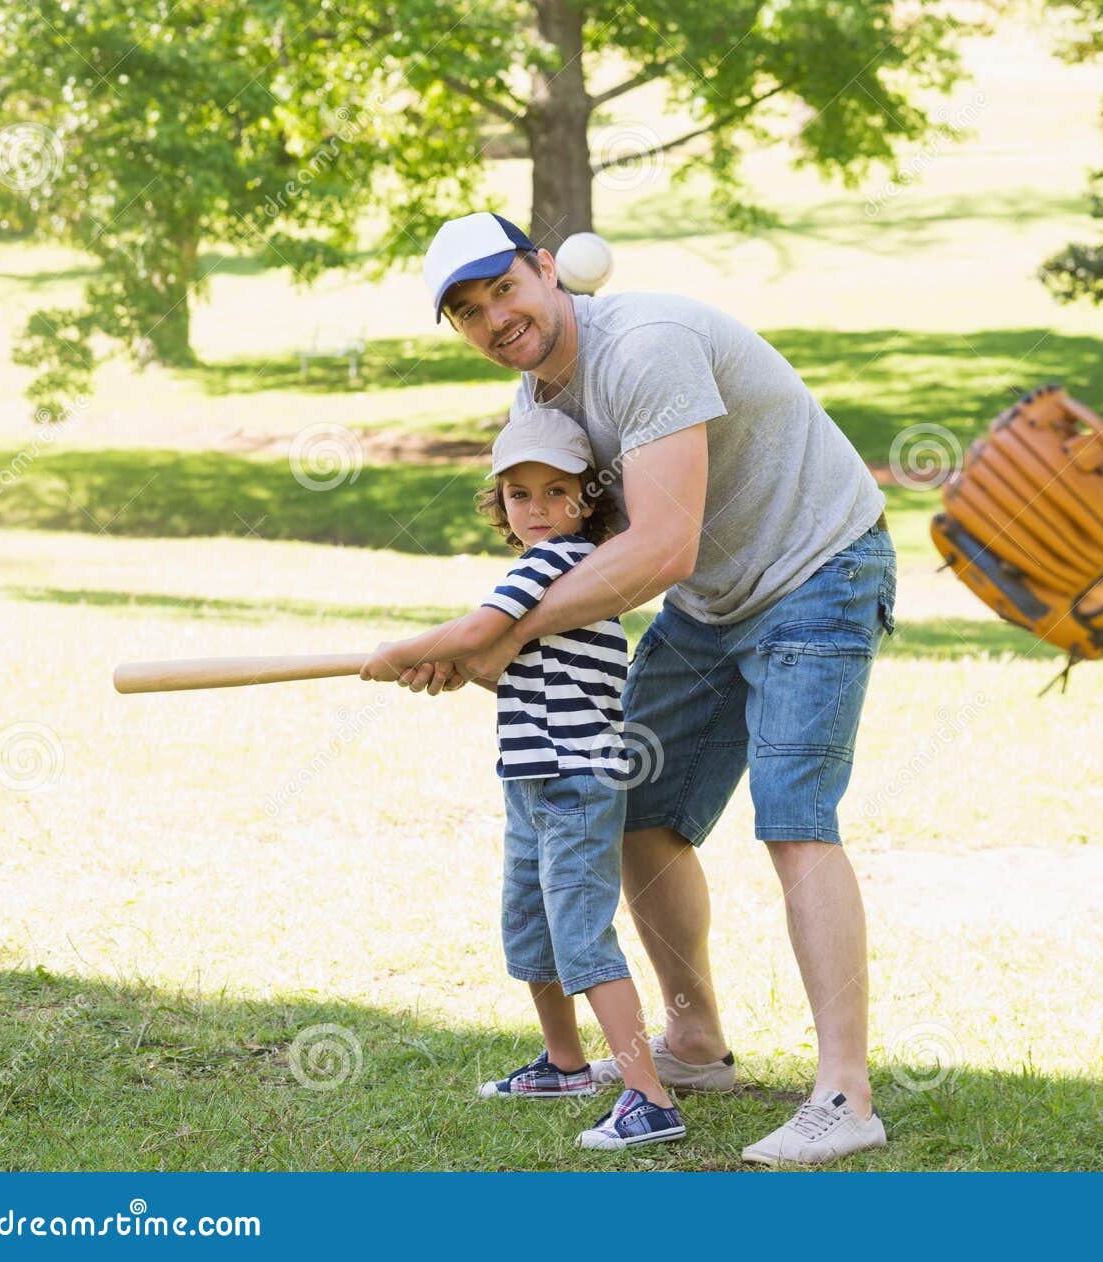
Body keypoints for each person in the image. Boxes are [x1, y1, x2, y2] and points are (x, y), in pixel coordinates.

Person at [400, 212, 896, 1164]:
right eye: (468, 310)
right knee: (636, 811)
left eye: (504, 288)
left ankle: (846, 1093)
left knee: (795, 822)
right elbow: (569, 570)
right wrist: (483, 651)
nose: (495, 318)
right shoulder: (534, 409)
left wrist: (487, 633)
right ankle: (697, 1041)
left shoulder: (647, 346)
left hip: (818, 570)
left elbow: (659, 547)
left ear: (546, 270)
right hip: (712, 603)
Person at [361, 407, 685, 1152]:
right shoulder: (549, 579)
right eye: (518, 494)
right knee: (532, 922)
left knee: (580, 933)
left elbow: (477, 634)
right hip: (535, 777)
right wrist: (441, 668)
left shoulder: (556, 565)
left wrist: (398, 650)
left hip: (573, 781)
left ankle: (649, 1097)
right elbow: (496, 667)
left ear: (588, 500)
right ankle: (566, 1064)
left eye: (555, 491)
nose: (536, 509)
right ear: (499, 502)